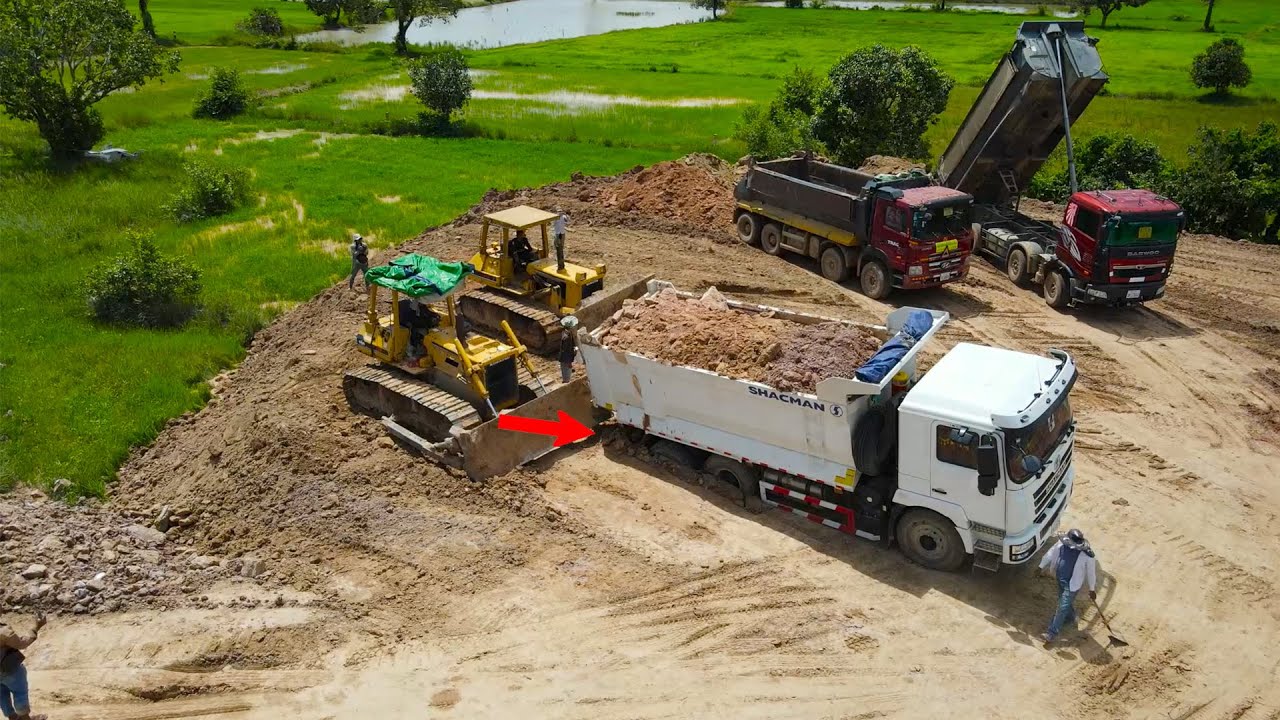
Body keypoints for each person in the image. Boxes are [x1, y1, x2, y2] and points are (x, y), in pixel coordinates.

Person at [1039, 528, 1099, 645]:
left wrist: (1092, 589)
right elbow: (1050, 553)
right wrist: (1041, 566)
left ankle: (1051, 633)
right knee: (1065, 602)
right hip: (1060, 579)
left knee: (1062, 606)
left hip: (1072, 584)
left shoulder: (1087, 555)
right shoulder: (1061, 543)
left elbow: (1091, 573)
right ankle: (1070, 617)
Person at [1, 612, 46, 720]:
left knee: (2, 695)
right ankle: (25, 718)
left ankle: (12, 718)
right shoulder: (3, 631)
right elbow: (21, 644)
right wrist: (36, 627)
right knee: (19, 693)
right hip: (9, 669)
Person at [558, 315, 579, 384]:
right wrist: (569, 361)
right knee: (566, 370)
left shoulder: (565, 333)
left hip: (564, 356)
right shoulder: (567, 336)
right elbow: (567, 349)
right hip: (566, 357)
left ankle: (565, 380)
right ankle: (566, 381)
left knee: (565, 369)